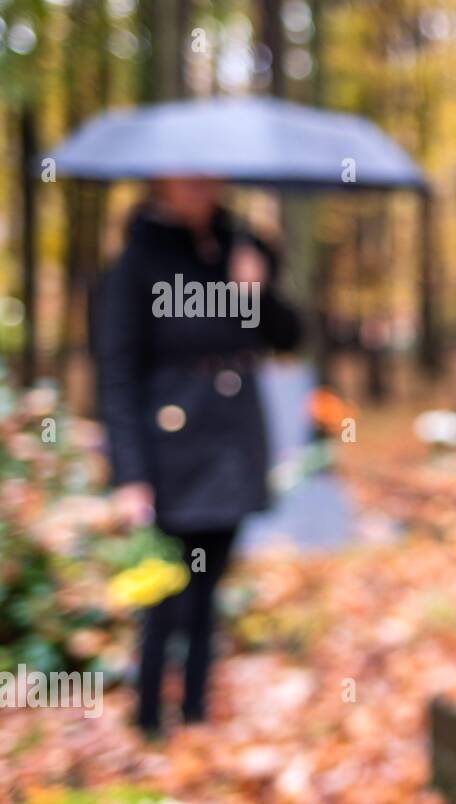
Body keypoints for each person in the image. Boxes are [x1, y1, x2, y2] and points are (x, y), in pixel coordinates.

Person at [93, 177, 301, 736]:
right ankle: (148, 719)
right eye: (188, 178)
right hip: (170, 450)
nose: (201, 189)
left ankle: (197, 711)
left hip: (233, 440)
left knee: (209, 587)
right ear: (163, 181)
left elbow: (287, 337)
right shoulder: (136, 263)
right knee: (166, 592)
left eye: (209, 178)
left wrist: (256, 289)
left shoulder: (242, 246)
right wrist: (130, 475)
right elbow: (116, 376)